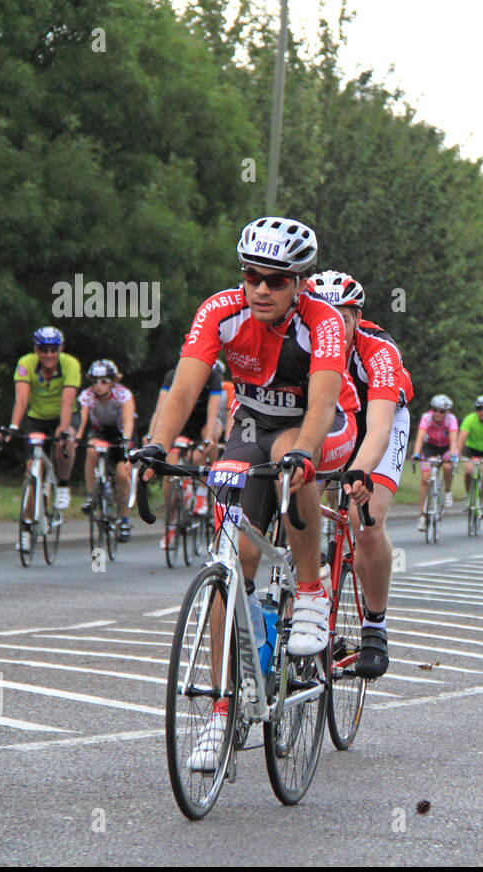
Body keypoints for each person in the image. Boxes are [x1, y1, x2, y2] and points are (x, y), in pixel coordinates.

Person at [131, 216, 357, 771]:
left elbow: (324, 403)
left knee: (289, 462)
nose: (261, 288)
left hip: (321, 424)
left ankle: (308, 592)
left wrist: (305, 450)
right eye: (252, 275)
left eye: (276, 280)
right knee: (231, 558)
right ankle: (221, 710)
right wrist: (157, 448)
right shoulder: (220, 309)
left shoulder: (323, 322)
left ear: (299, 283)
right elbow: (185, 384)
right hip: (252, 422)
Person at [309, 269, 414, 679]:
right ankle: (310, 586)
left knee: (364, 520)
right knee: (297, 497)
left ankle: (374, 625)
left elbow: (381, 429)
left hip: (380, 421)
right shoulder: (301, 342)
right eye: (326, 315)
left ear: (357, 318)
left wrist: (360, 471)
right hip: (333, 419)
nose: (335, 324)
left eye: (345, 317)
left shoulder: (379, 351)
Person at [2, 327, 80, 547]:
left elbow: (67, 402)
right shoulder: (26, 363)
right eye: (43, 350)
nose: (48, 355)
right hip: (37, 418)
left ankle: (63, 484)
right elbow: (21, 399)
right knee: (31, 472)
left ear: (60, 349)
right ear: (36, 350)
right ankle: (26, 528)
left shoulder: (70, 364)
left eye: (53, 350)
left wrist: (64, 430)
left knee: (63, 439)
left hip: (65, 415)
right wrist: (13, 426)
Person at [144, 358, 224, 545]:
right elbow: (160, 409)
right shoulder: (172, 376)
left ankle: (203, 493)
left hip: (203, 424)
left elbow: (213, 413)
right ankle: (170, 524)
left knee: (204, 447)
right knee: (168, 469)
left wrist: (208, 439)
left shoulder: (213, 377)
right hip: (182, 424)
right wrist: (152, 436)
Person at [75, 359, 136, 541]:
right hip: (99, 431)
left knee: (121, 475)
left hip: (119, 433)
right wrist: (77, 437)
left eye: (103, 381)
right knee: (91, 451)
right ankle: (90, 494)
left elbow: (128, 420)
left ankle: (124, 518)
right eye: (94, 381)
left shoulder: (122, 394)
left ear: (112, 381)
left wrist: (126, 440)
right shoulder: (87, 395)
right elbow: (82, 418)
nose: (98, 386)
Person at [413, 394, 459, 531]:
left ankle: (448, 491)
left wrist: (452, 455)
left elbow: (454, 440)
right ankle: (422, 515)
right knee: (425, 478)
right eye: (436, 410)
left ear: (447, 412)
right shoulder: (426, 418)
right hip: (429, 448)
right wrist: (416, 453)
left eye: (442, 411)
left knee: (446, 467)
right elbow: (420, 438)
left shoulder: (451, 420)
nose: (438, 413)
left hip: (445, 448)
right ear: (432, 409)